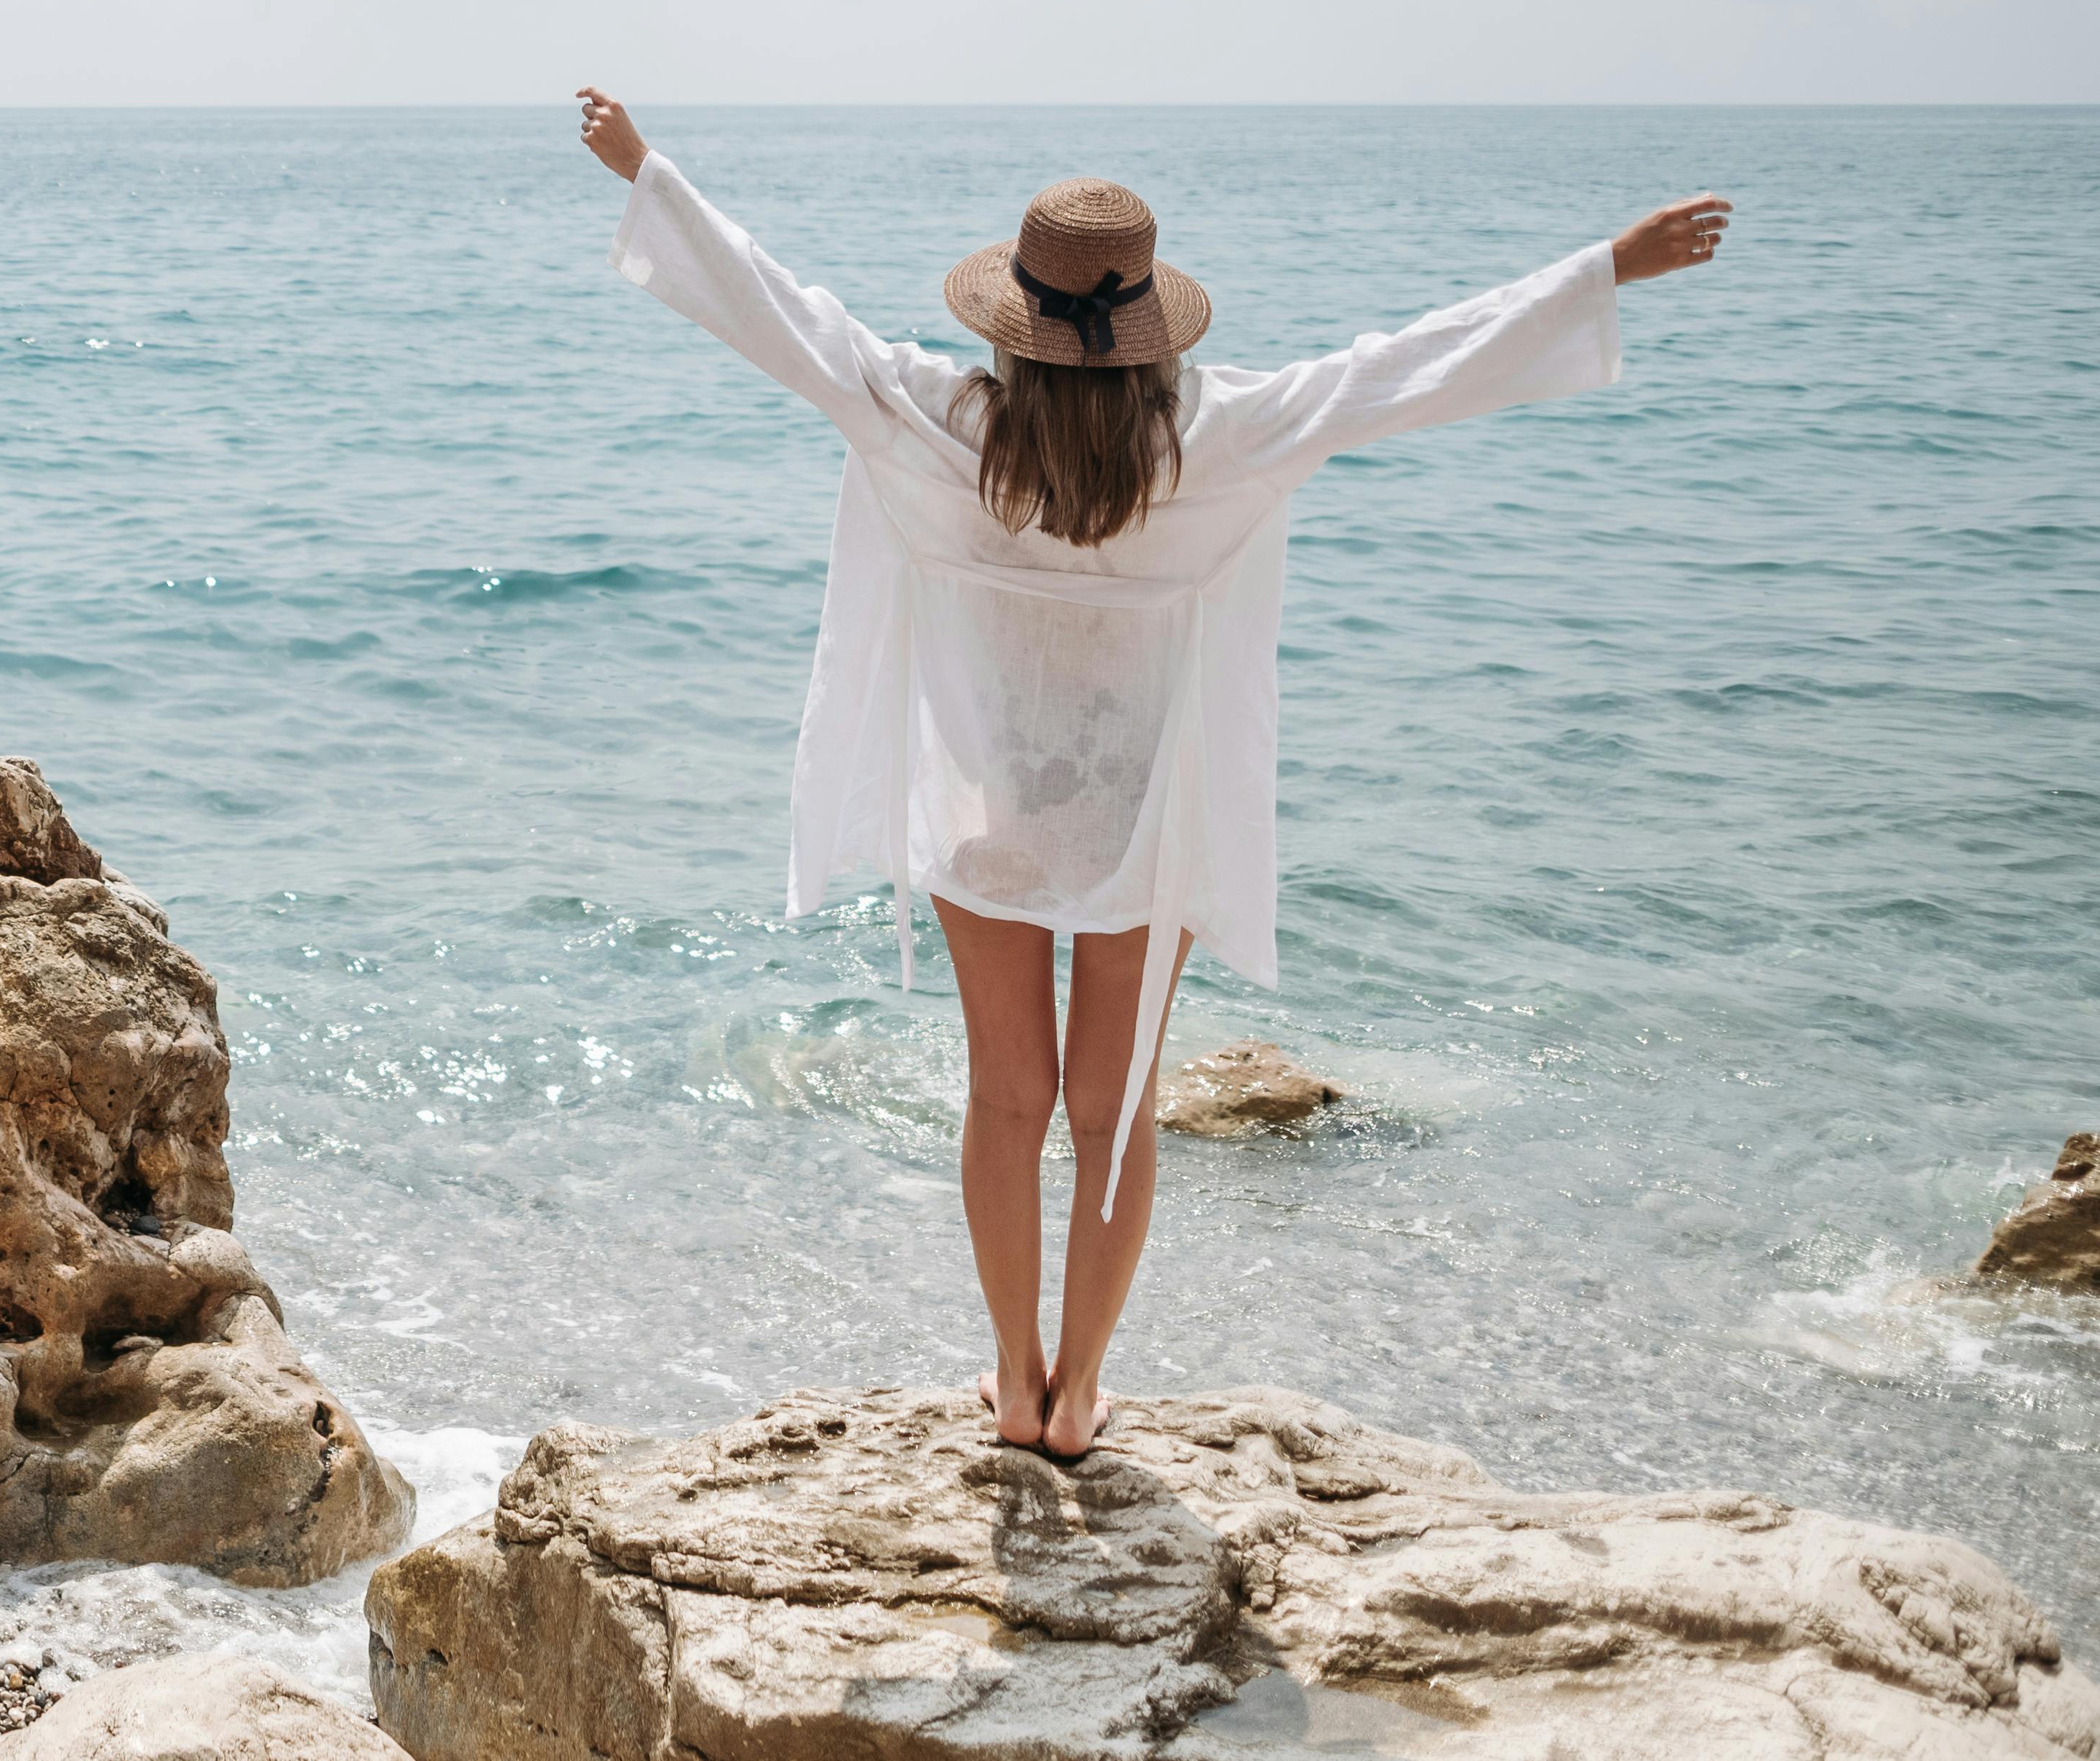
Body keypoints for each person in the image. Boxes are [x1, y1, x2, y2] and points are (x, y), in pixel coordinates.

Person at [573, 91, 1728, 1458]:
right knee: (1112, 1108)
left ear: (1011, 315)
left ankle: (1010, 1383)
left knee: (1006, 1098)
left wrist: (646, 171)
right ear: (1147, 328)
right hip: (1150, 824)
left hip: (991, 817)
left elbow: (782, 315)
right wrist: (1603, 270)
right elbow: (1403, 366)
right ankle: (1077, 1402)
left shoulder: (942, 426)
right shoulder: (1217, 437)